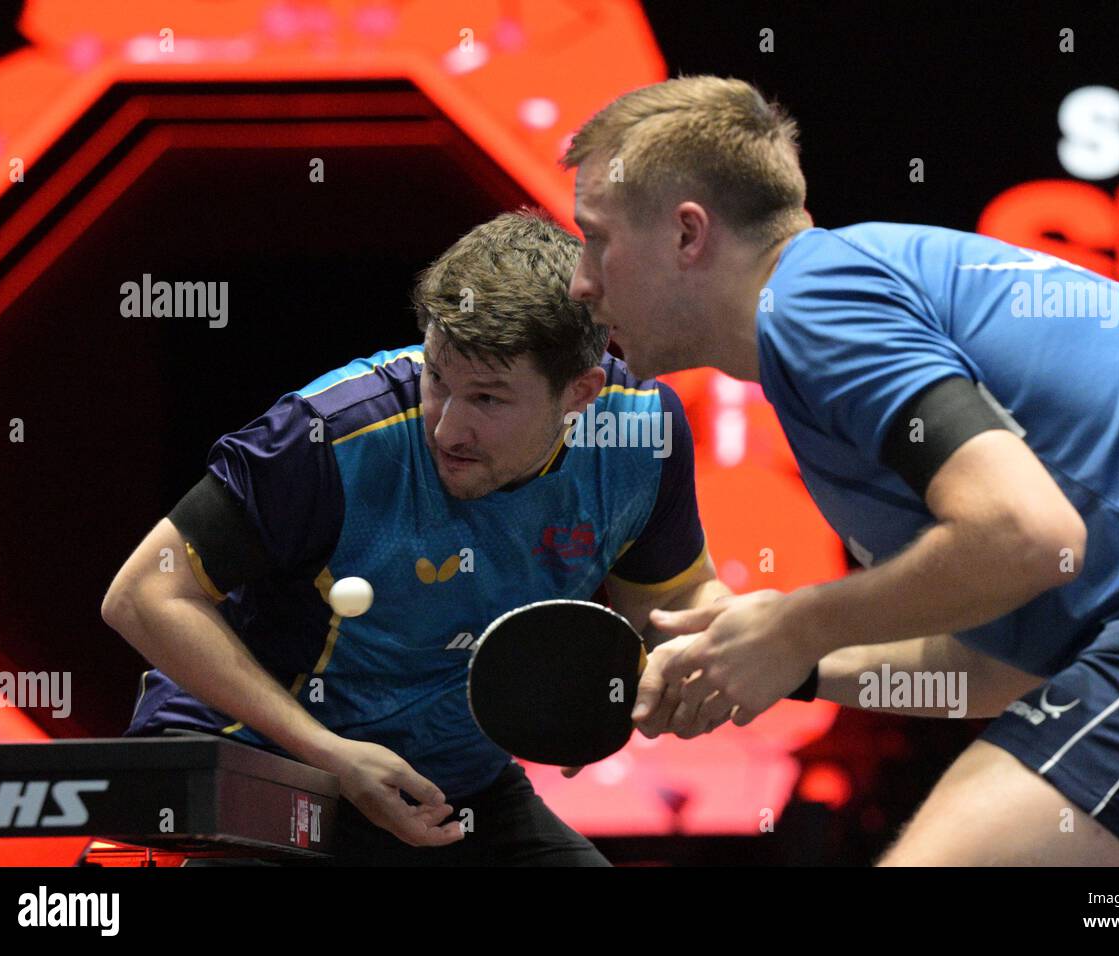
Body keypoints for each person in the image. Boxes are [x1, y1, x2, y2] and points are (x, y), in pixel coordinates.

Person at [562, 75, 1119, 866]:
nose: (581, 283)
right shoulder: (837, 319)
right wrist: (781, 660)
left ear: (688, 234)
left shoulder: (814, 303)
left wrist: (798, 624)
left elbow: (1024, 534)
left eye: (595, 239)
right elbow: (999, 670)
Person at [101, 210, 729, 866]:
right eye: (436, 378)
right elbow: (144, 594)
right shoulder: (328, 436)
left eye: (487, 400)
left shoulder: (638, 438)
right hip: (269, 764)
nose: (447, 428)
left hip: (447, 787)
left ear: (581, 391)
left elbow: (673, 603)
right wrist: (331, 757)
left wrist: (610, 696)